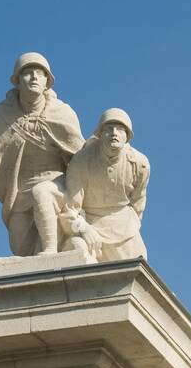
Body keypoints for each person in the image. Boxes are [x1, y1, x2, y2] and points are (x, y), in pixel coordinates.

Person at [0, 53, 84, 256]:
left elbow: (82, 162)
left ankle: (51, 251)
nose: (34, 77)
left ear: (47, 81)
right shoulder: (1, 118)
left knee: (42, 193)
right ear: (17, 81)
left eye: (40, 73)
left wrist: (79, 203)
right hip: (19, 194)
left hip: (57, 186)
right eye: (27, 73)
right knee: (22, 249)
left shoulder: (63, 113)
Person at [63, 109, 150, 263]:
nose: (115, 133)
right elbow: (70, 208)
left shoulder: (139, 164)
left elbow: (138, 202)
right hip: (90, 226)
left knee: (139, 264)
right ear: (100, 133)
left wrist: (131, 227)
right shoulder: (82, 161)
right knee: (75, 249)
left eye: (120, 129)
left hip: (125, 229)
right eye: (109, 129)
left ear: (127, 136)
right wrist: (83, 228)